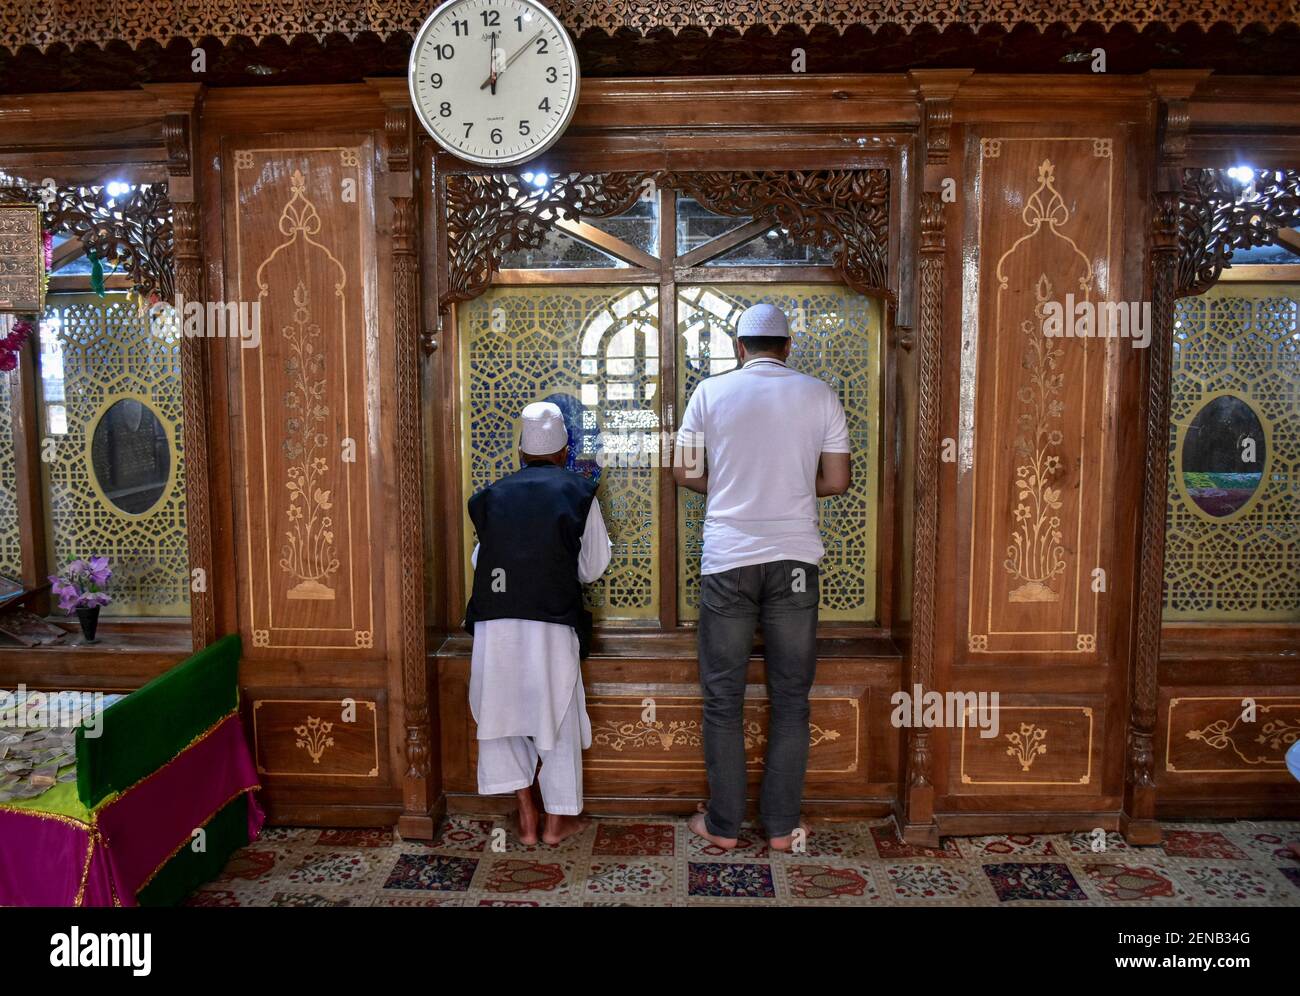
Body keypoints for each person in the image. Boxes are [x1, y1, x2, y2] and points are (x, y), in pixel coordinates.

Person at [673, 303, 851, 852]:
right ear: (788, 347)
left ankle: (723, 827)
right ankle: (781, 827)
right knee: (791, 698)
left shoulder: (709, 393)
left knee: (722, 697)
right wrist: (791, 490)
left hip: (728, 559)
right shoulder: (819, 394)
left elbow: (683, 470)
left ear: (739, 347)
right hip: (795, 561)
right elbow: (838, 480)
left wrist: (732, 492)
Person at [464, 401, 612, 845]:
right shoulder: (579, 492)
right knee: (557, 714)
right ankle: (555, 823)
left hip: (494, 622)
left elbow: (480, 560)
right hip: (550, 620)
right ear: (566, 453)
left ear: (520, 453)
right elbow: (592, 566)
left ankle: (526, 817)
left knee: (499, 714)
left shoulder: (489, 497)